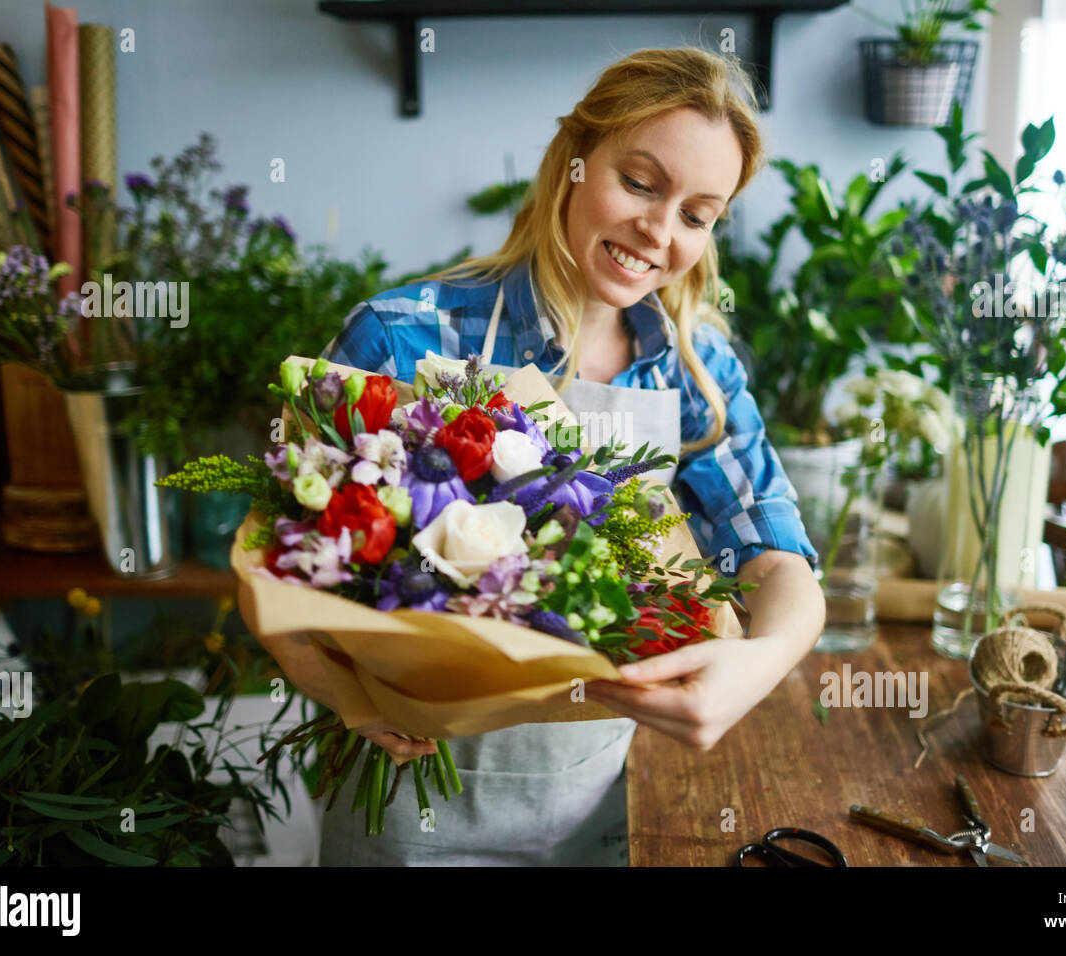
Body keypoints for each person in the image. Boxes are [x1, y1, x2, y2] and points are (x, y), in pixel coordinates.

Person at [309, 47, 825, 866]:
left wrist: (759, 663)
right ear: (574, 163)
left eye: (697, 214)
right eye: (642, 182)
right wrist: (343, 692)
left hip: (602, 803)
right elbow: (289, 566)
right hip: (408, 795)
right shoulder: (402, 335)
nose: (659, 231)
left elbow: (778, 557)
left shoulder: (696, 374)